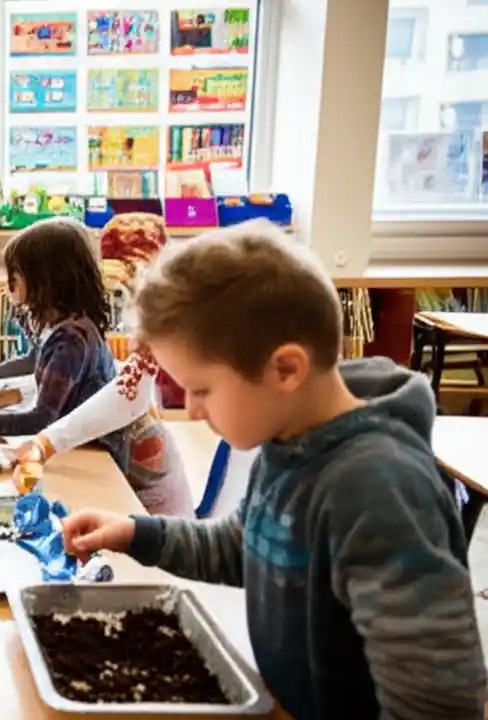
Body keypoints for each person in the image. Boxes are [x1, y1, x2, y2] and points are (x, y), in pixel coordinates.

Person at [62, 221, 486, 719]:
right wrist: (135, 532)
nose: (194, 411)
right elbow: (244, 548)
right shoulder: (289, 441)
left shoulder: (377, 487)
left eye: (202, 390)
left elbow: (439, 700)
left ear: (286, 369)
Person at [0, 217, 191, 515]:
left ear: (44, 280)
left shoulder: (73, 339)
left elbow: (44, 418)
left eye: (15, 276)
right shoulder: (70, 327)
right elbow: (36, 364)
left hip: (142, 490)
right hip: (122, 465)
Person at [12, 213, 193, 516]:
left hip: (155, 518)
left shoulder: (149, 336)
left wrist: (45, 443)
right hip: (141, 507)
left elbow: (127, 398)